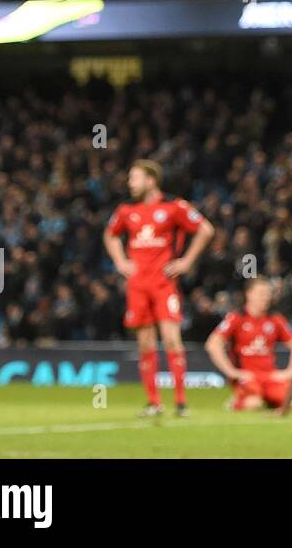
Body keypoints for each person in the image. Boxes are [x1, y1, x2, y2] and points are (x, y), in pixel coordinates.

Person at [103, 159, 214, 417]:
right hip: (138, 286)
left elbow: (206, 230)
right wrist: (120, 261)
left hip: (164, 284)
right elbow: (110, 235)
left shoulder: (174, 206)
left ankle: (181, 403)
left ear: (151, 180)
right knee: (145, 345)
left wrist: (186, 261)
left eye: (135, 178)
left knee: (173, 341)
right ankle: (154, 403)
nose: (130, 183)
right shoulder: (125, 211)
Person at [205, 279, 292, 411]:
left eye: (268, 293)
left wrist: (291, 371)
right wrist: (231, 372)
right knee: (254, 404)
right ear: (249, 294)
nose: (266, 297)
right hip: (248, 376)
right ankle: (236, 402)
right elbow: (212, 344)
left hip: (270, 376)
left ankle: (270, 400)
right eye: (262, 293)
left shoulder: (275, 319)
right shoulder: (236, 318)